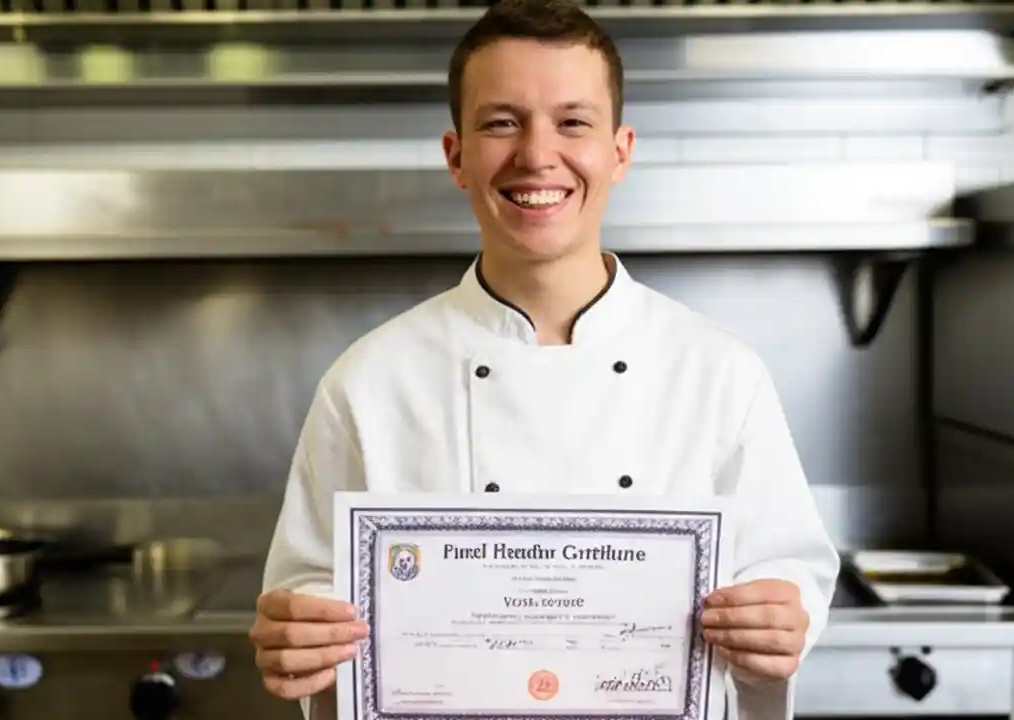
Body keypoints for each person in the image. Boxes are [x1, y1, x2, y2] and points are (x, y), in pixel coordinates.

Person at [251, 0, 840, 717]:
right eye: (502, 122)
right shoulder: (369, 381)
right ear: (456, 155)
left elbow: (786, 572)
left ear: (619, 150)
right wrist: (300, 636)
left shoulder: (719, 372)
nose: (536, 155)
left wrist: (781, 622)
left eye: (572, 122)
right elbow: (313, 590)